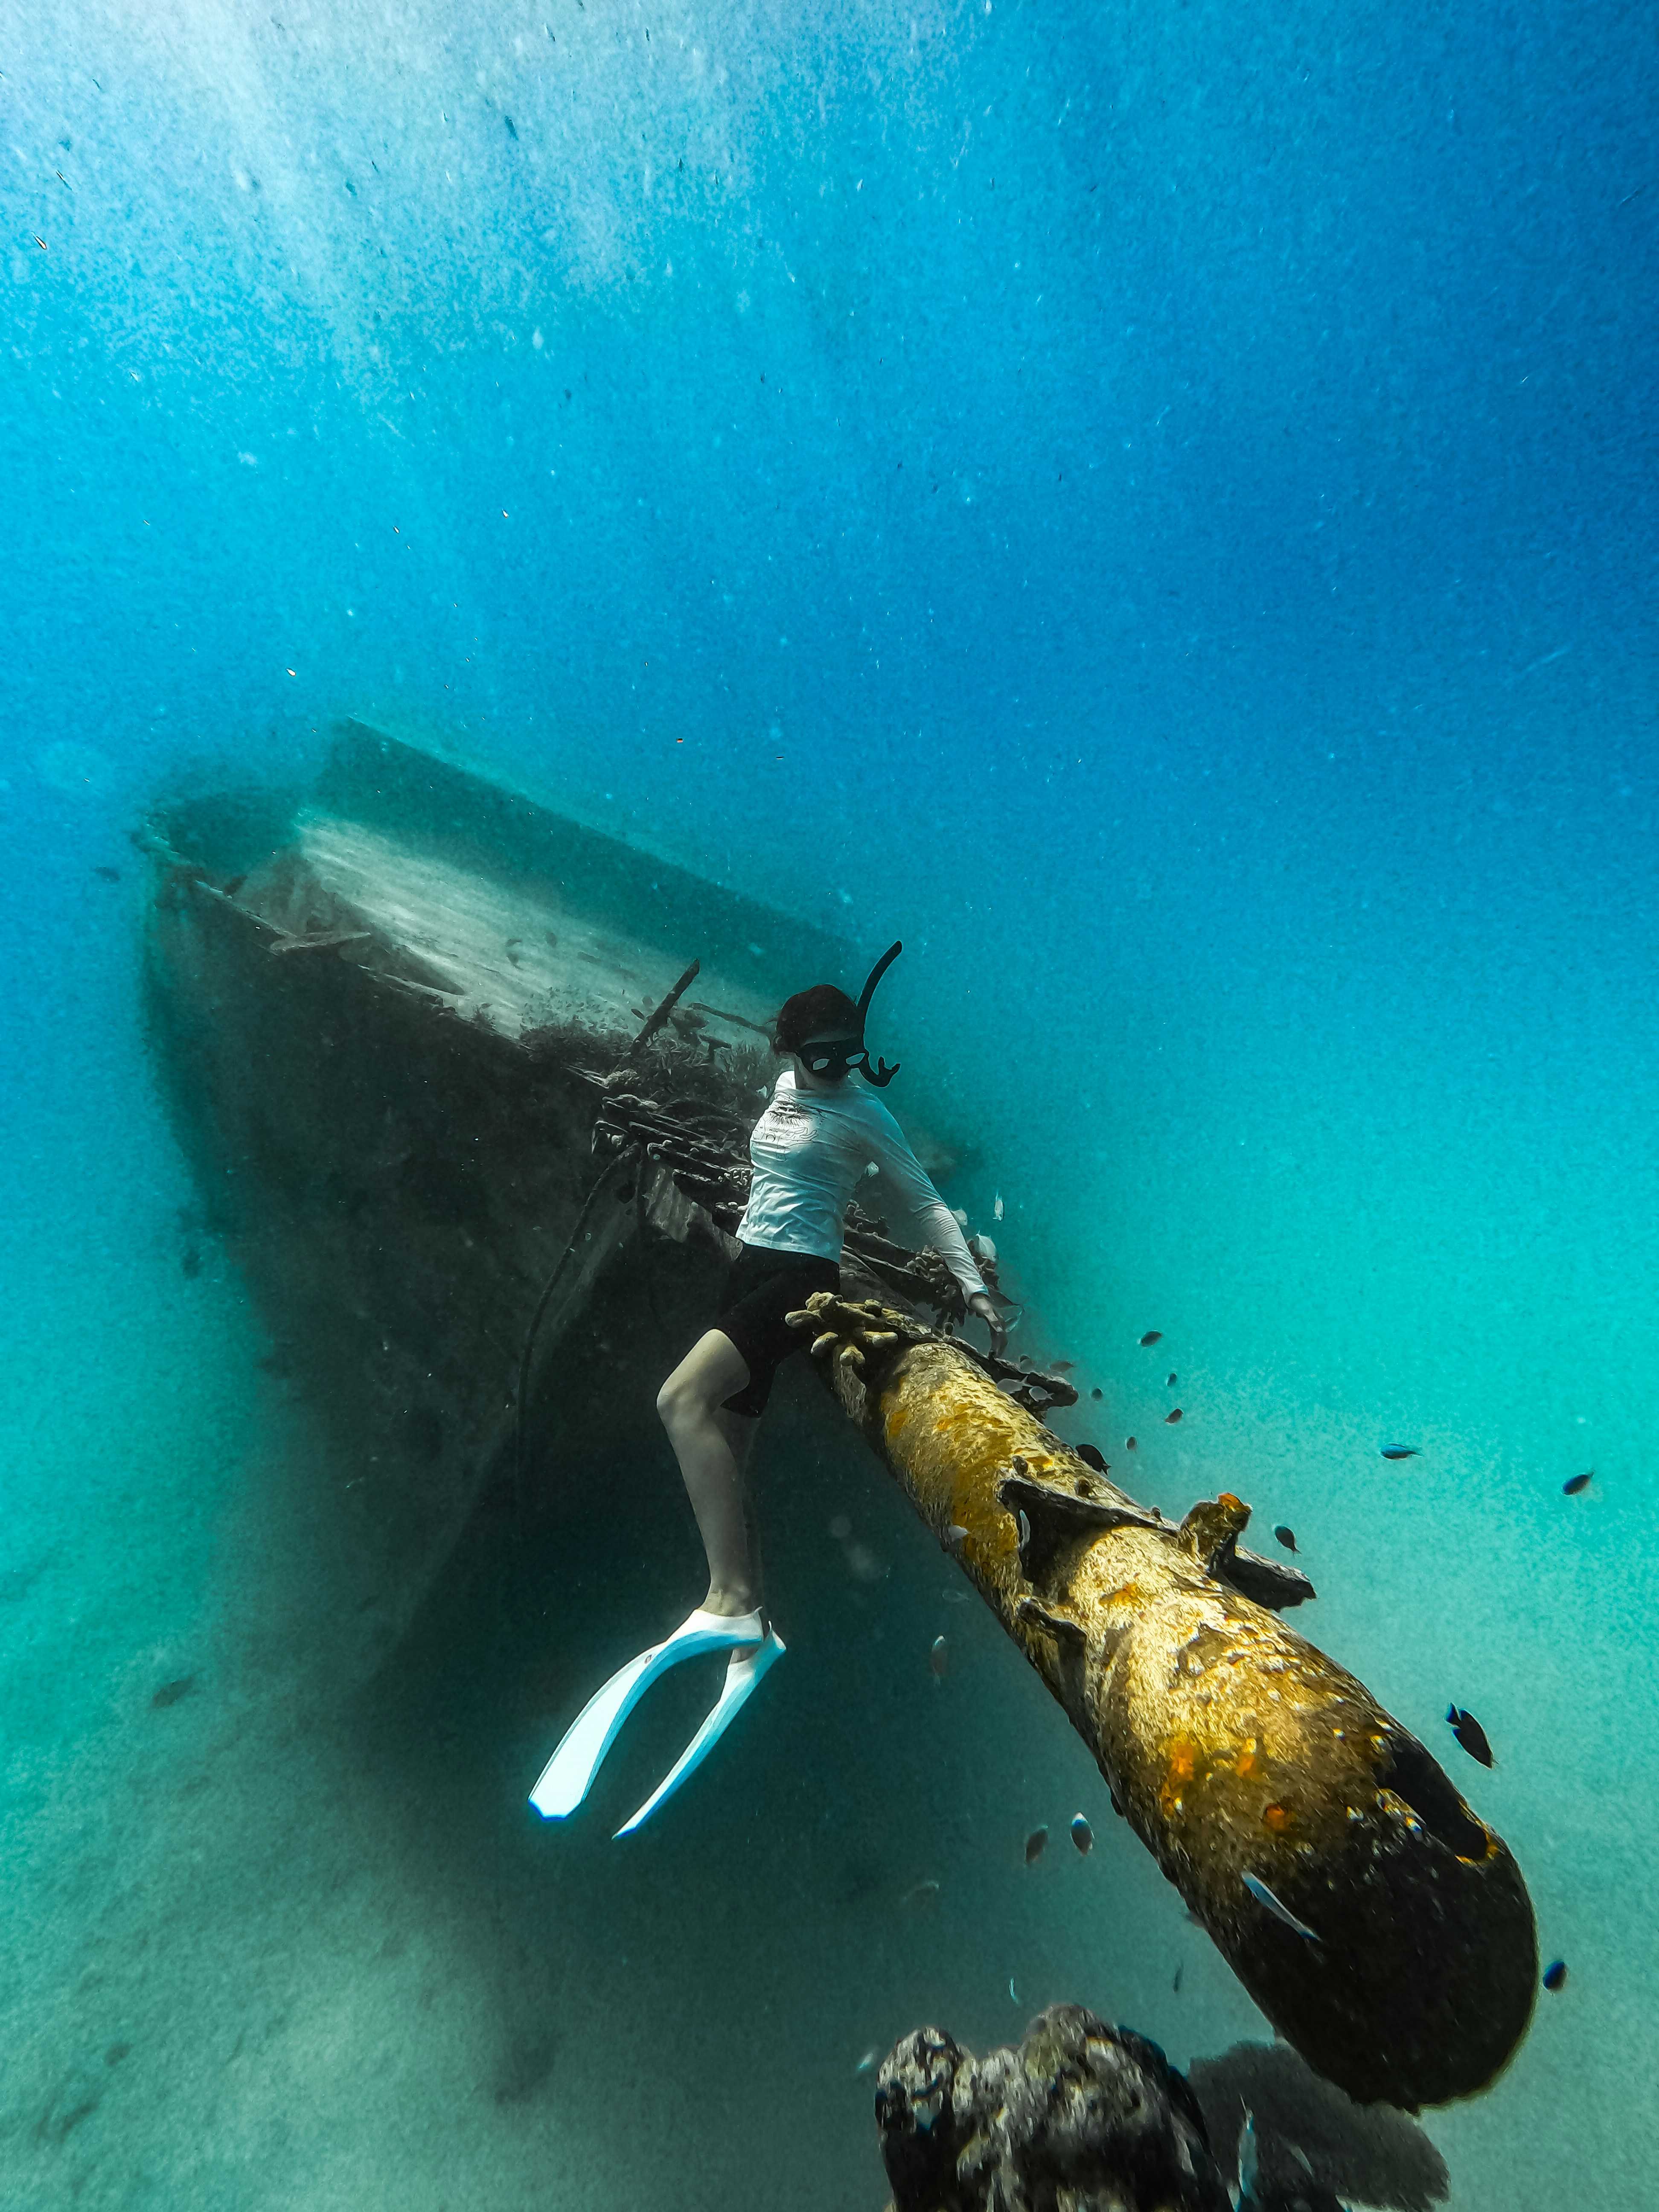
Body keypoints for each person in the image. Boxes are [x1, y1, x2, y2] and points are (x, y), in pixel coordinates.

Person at [530, 943, 1005, 1837]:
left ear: (852, 1055)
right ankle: (754, 1633)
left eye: (839, 1058)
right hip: (746, 1265)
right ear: (789, 1051)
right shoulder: (788, 1090)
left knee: (680, 1402)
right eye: (811, 1057)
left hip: (799, 1280)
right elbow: (778, 1167)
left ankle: (729, 1599)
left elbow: (924, 1204)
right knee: (729, 1457)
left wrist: (971, 1284)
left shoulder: (866, 1112)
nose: (825, 1072)